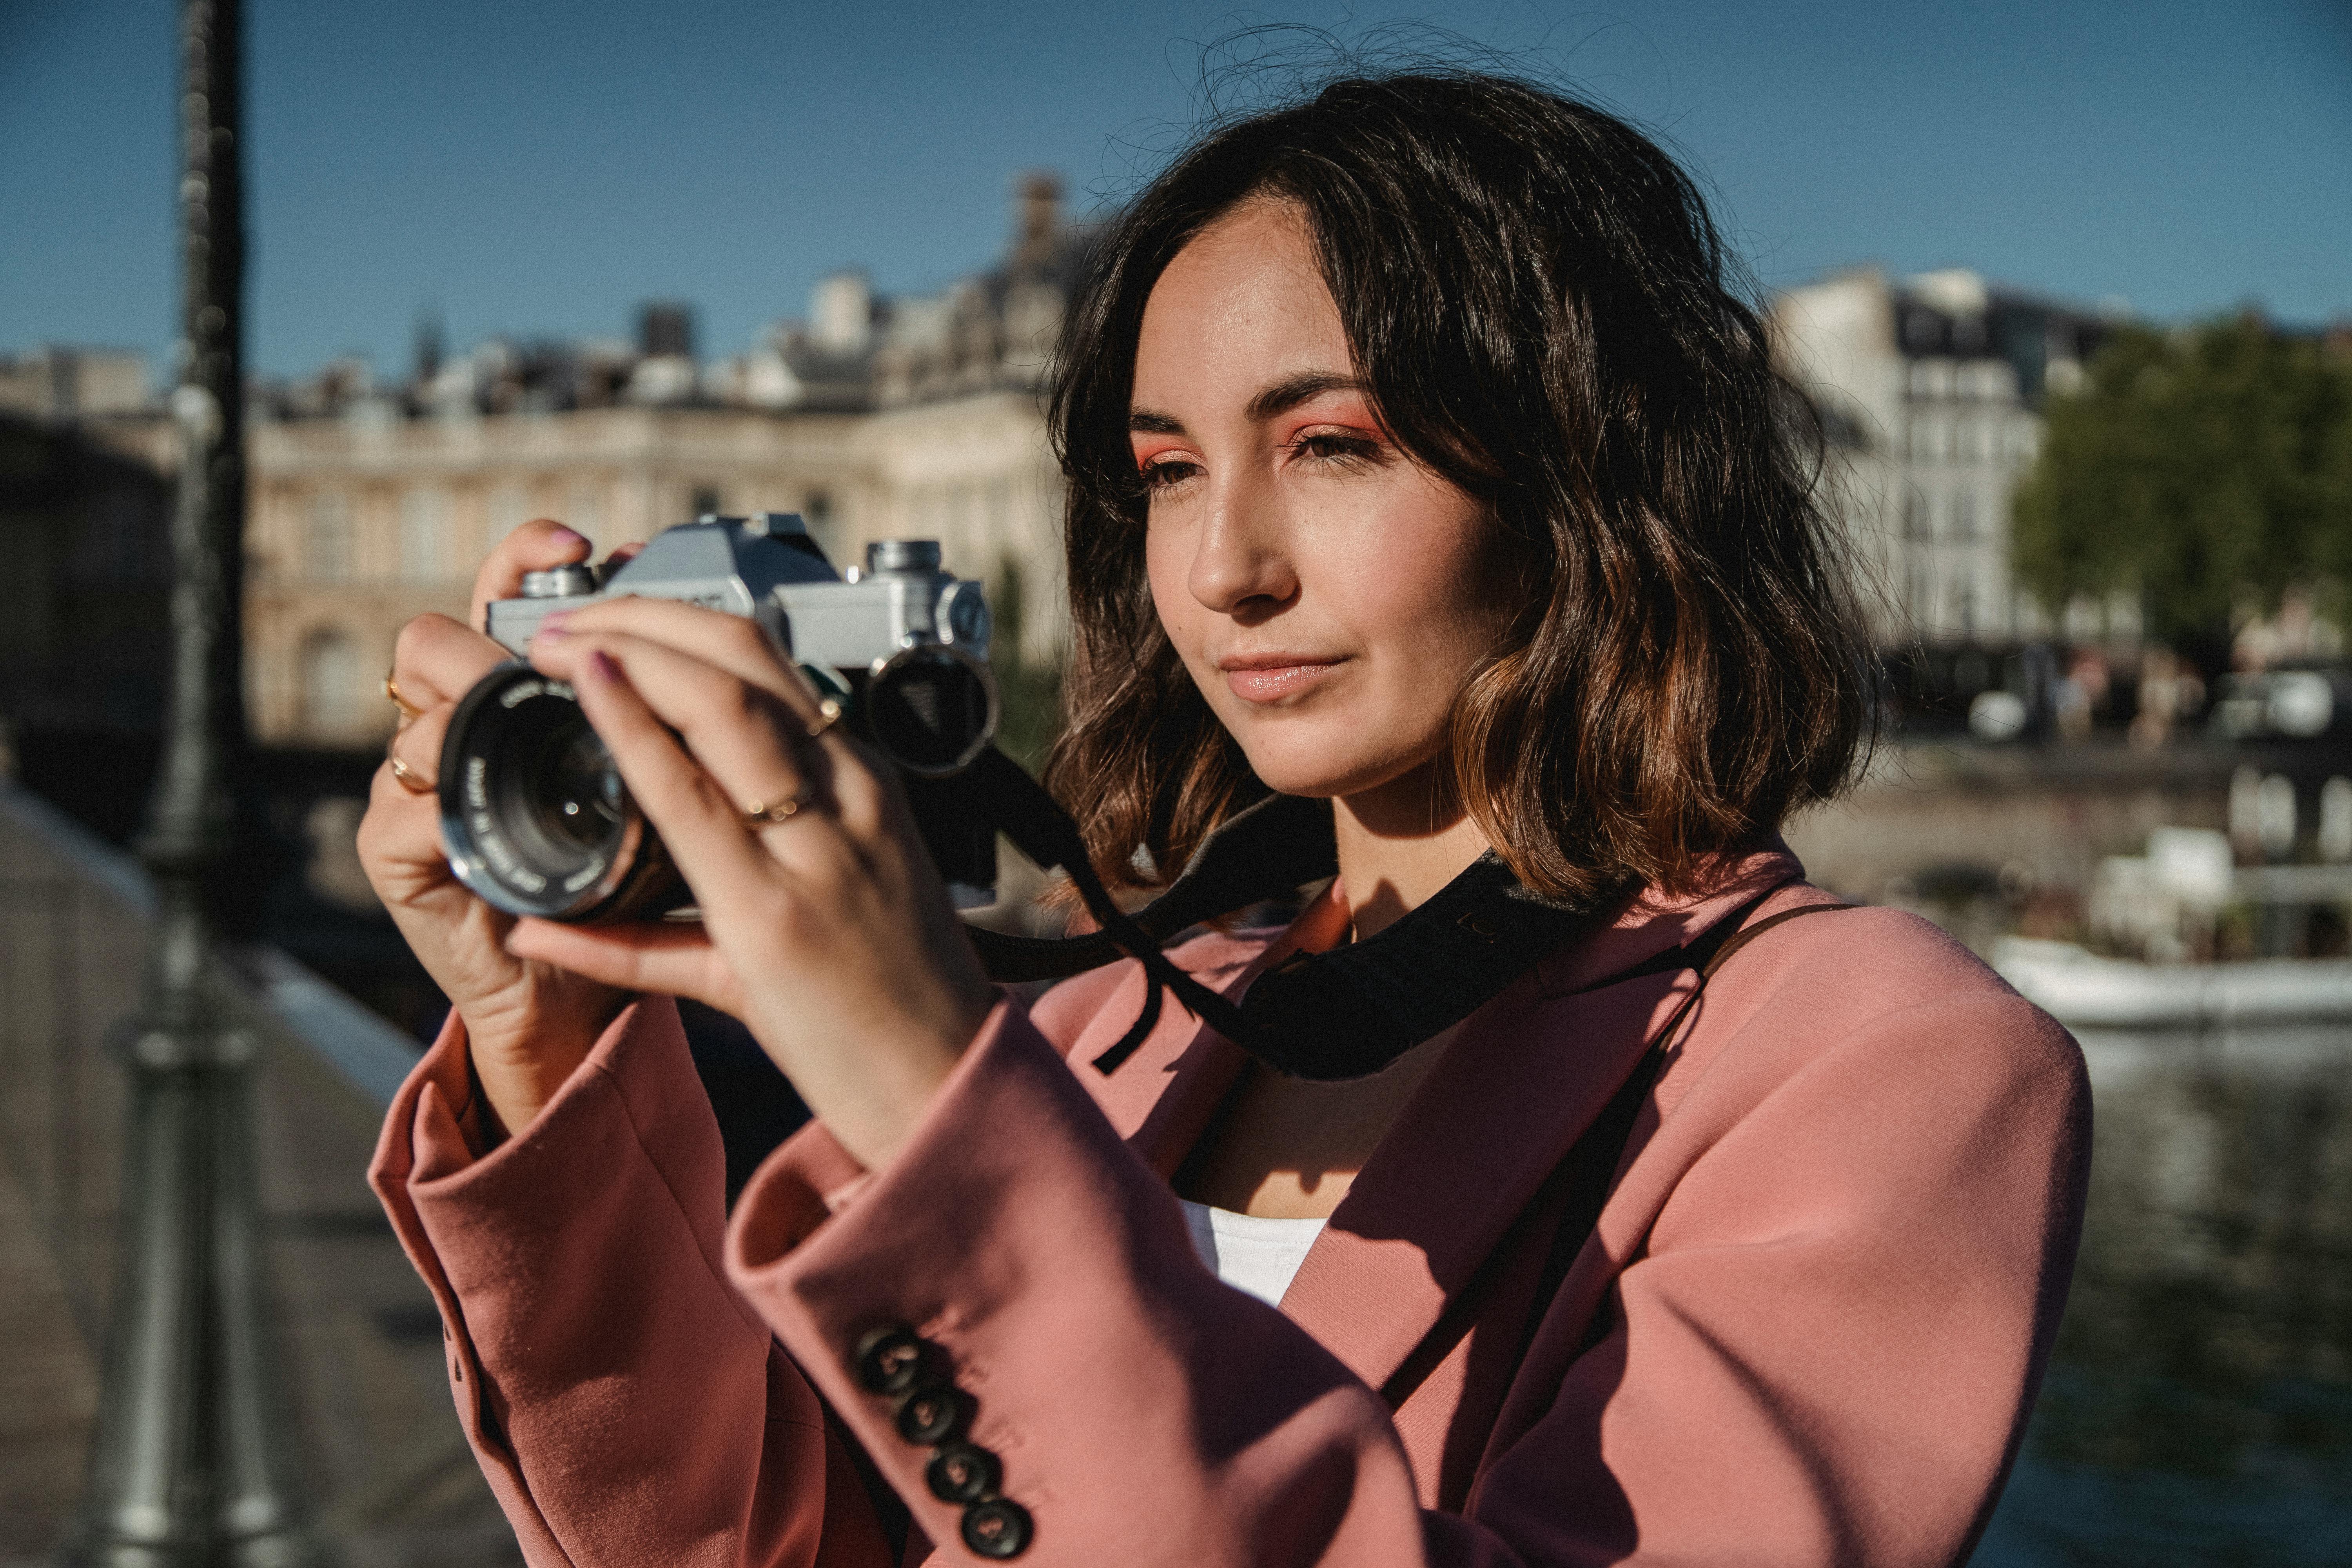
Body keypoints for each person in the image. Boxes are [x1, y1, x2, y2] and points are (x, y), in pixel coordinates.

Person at [363, 71, 2090, 1566]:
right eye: (1171, 468)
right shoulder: (1118, 1010)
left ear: (1592, 479)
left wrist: (924, 1095)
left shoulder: (1882, 1063)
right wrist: (544, 1032)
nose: (1220, 570)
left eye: (1331, 445)